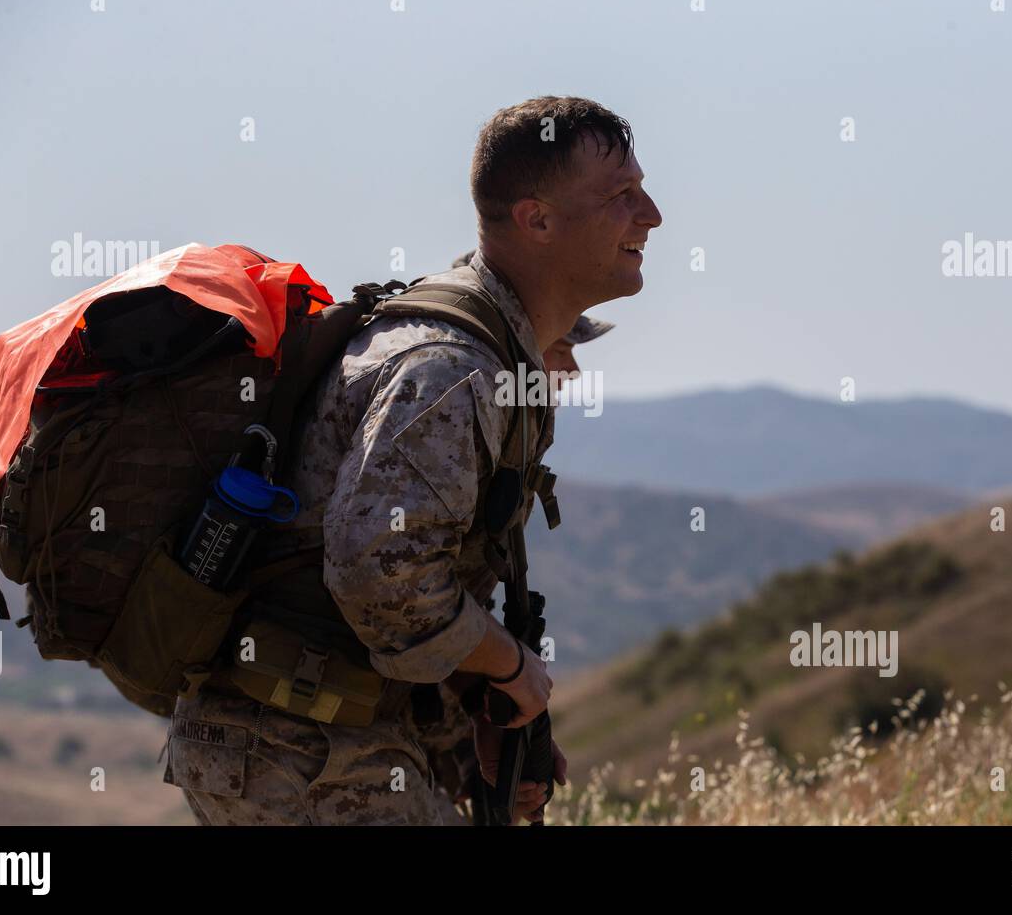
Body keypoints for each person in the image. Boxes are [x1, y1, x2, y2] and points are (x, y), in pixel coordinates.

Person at [163, 95, 661, 825]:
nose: (650, 214)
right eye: (622, 196)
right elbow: (379, 577)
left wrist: (471, 723)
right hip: (301, 747)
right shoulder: (450, 369)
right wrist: (512, 669)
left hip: (310, 736)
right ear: (538, 220)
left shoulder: (489, 349)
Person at [409, 301, 616, 824]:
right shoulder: (448, 406)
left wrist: (489, 711)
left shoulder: (495, 432)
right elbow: (389, 587)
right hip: (310, 729)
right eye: (563, 349)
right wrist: (509, 669)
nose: (572, 372)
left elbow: (437, 608)